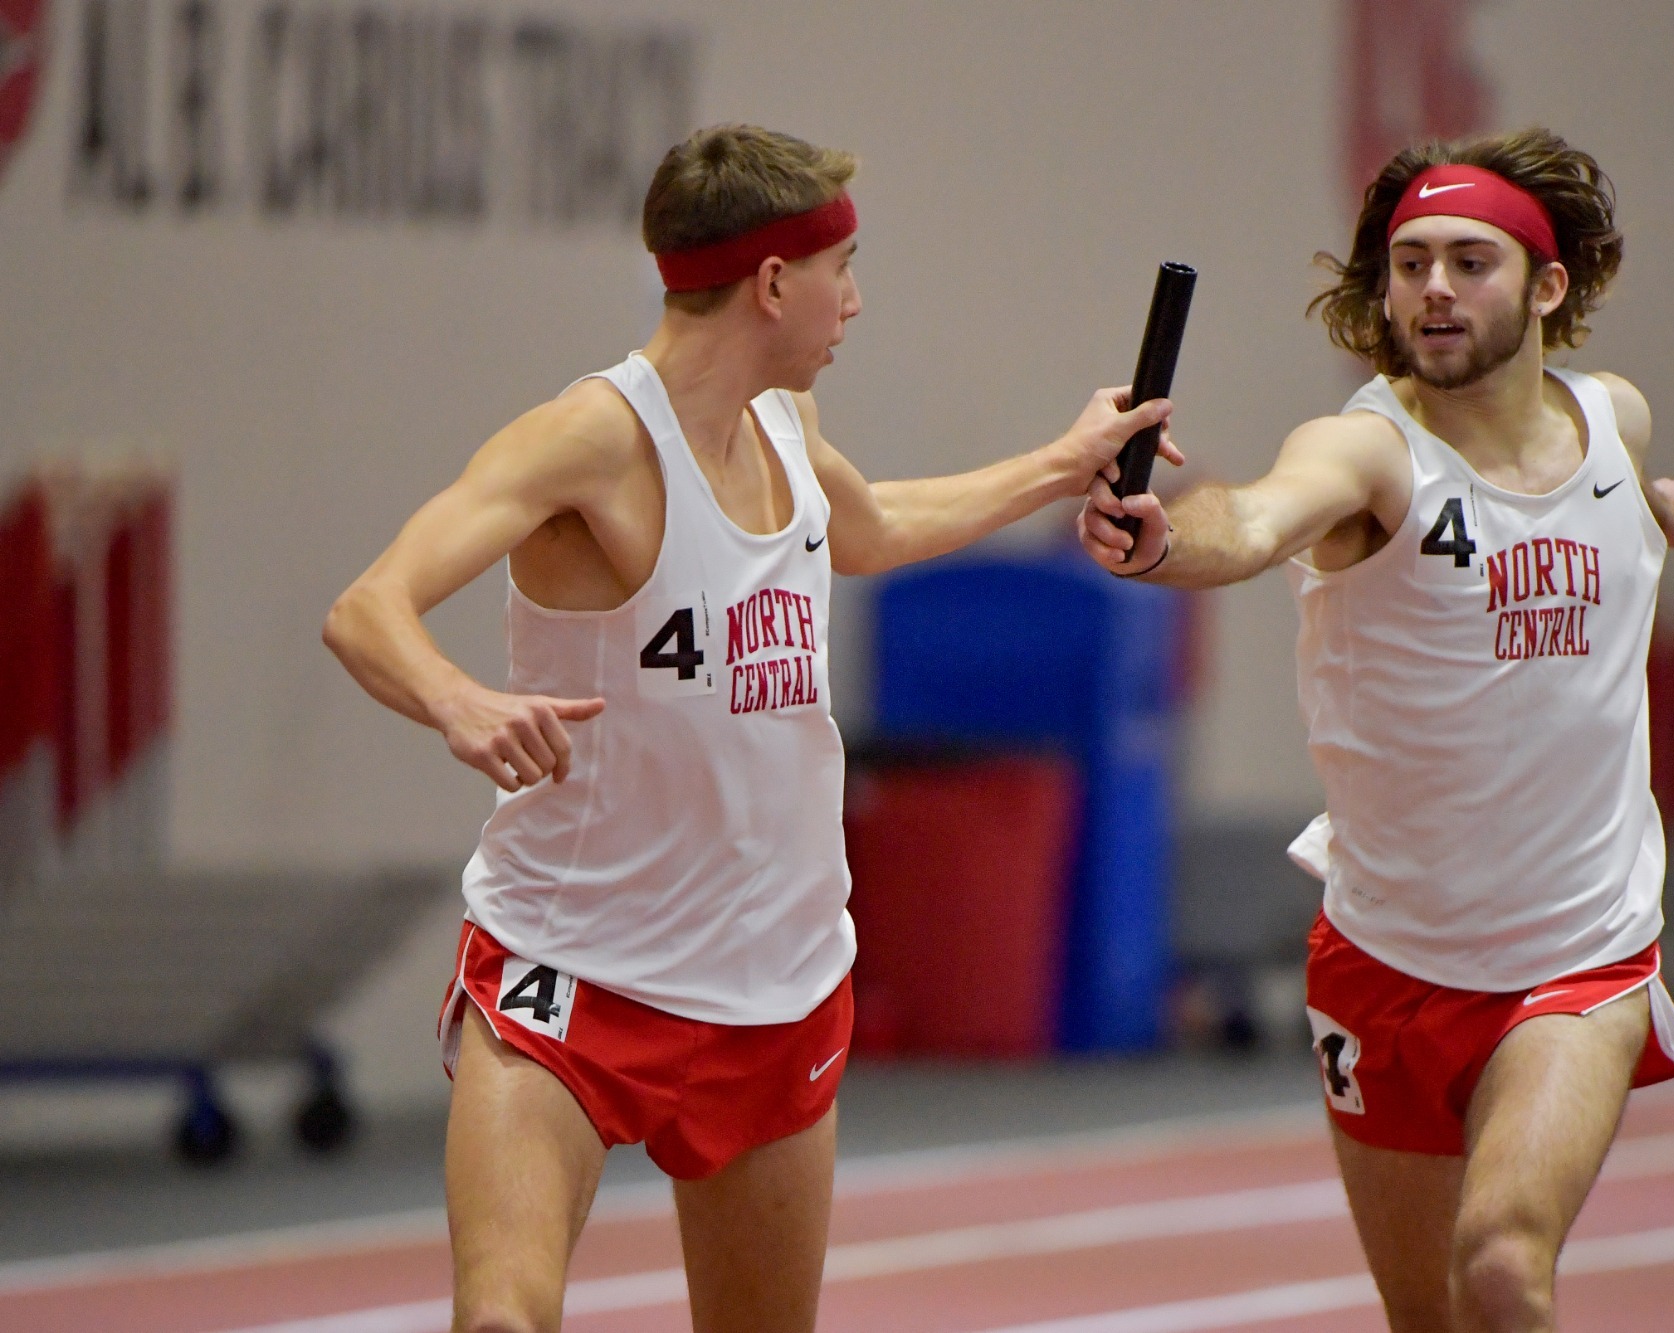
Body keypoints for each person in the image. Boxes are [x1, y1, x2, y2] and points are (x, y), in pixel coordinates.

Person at [323, 123, 1174, 1333]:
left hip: (771, 980)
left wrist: (1060, 462)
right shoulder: (593, 438)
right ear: (773, 281)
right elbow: (368, 609)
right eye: (844, 268)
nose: (857, 302)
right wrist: (461, 700)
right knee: (501, 1319)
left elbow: (871, 529)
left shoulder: (786, 425)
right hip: (575, 968)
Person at [1078, 126, 1674, 1333]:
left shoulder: (1617, 423)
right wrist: (1166, 538)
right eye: (1408, 265)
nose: (1432, 289)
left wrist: (1662, 506)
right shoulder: (1369, 451)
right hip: (1383, 959)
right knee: (1428, 1317)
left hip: (1575, 951)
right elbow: (1258, 516)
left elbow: (1575, 500)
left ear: (1546, 285)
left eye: (1467, 262)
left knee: (1500, 1267)